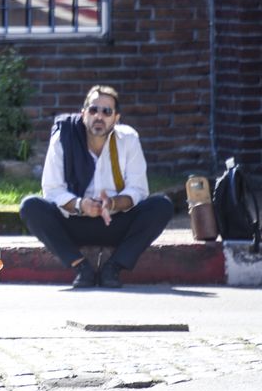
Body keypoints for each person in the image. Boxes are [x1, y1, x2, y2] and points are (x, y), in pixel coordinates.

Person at [20, 85, 173, 288]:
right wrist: (81, 205)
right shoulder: (64, 137)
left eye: (106, 111)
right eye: (93, 110)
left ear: (116, 118)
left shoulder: (128, 139)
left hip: (114, 221)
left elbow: (138, 189)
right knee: (30, 206)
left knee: (161, 206)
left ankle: (114, 267)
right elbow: (52, 189)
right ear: (83, 114)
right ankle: (81, 267)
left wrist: (112, 204)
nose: (99, 116)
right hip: (74, 220)